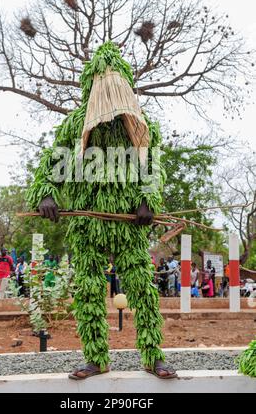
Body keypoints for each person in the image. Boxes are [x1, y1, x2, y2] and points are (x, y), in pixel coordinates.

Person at [27, 41, 177, 379]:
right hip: (86, 223)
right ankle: (95, 358)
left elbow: (152, 170)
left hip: (129, 226)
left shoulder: (137, 124)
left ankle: (153, 357)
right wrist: (47, 195)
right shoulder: (75, 125)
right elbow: (52, 165)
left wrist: (146, 202)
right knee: (89, 289)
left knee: (142, 287)